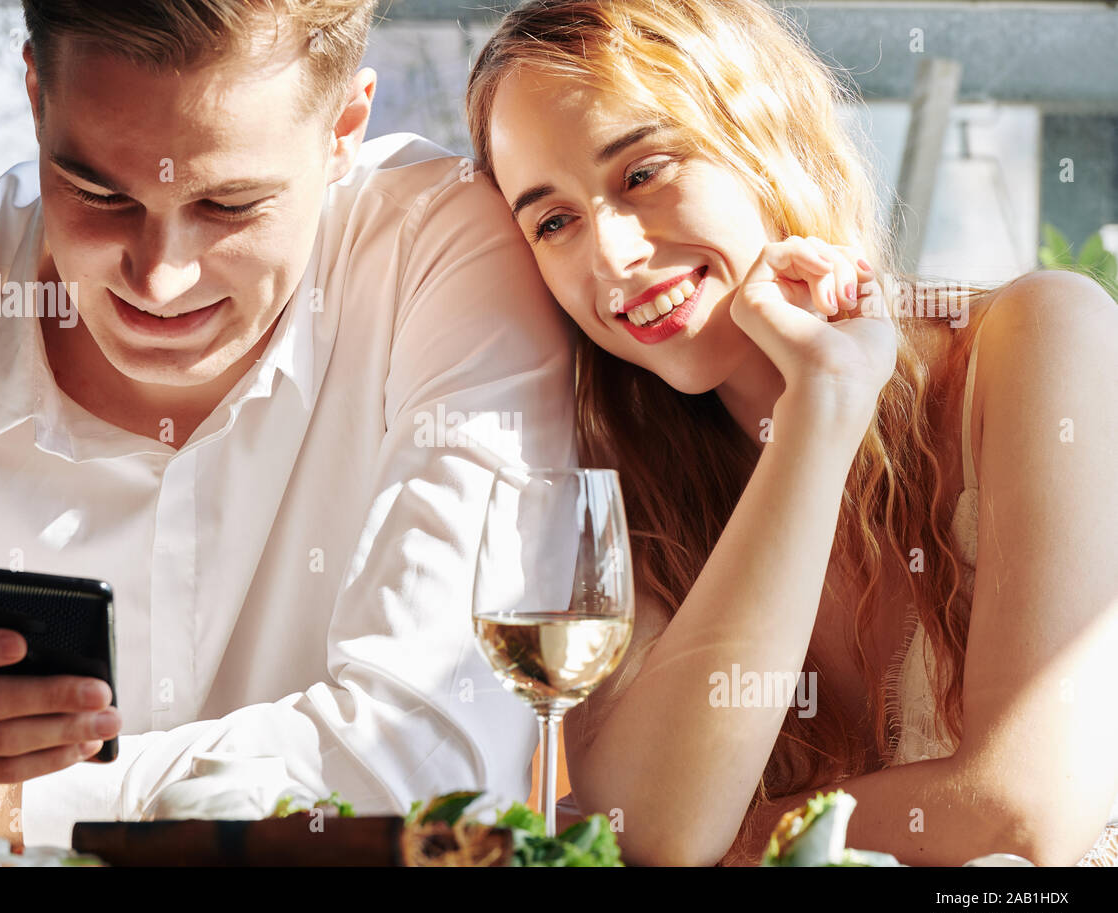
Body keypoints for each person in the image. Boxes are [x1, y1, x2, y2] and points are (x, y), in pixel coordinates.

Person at [0, 0, 577, 847]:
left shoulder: (439, 253)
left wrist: (7, 809)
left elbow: (438, 758)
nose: (160, 281)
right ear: (35, 93)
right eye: (96, 192)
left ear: (345, 128)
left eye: (230, 205)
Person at [466, 0, 1118, 866]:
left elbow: (1024, 819)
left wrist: (729, 835)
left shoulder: (1043, 338)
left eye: (643, 172)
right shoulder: (610, 480)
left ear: (762, 132)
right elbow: (649, 834)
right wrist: (821, 409)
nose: (611, 256)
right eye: (553, 221)